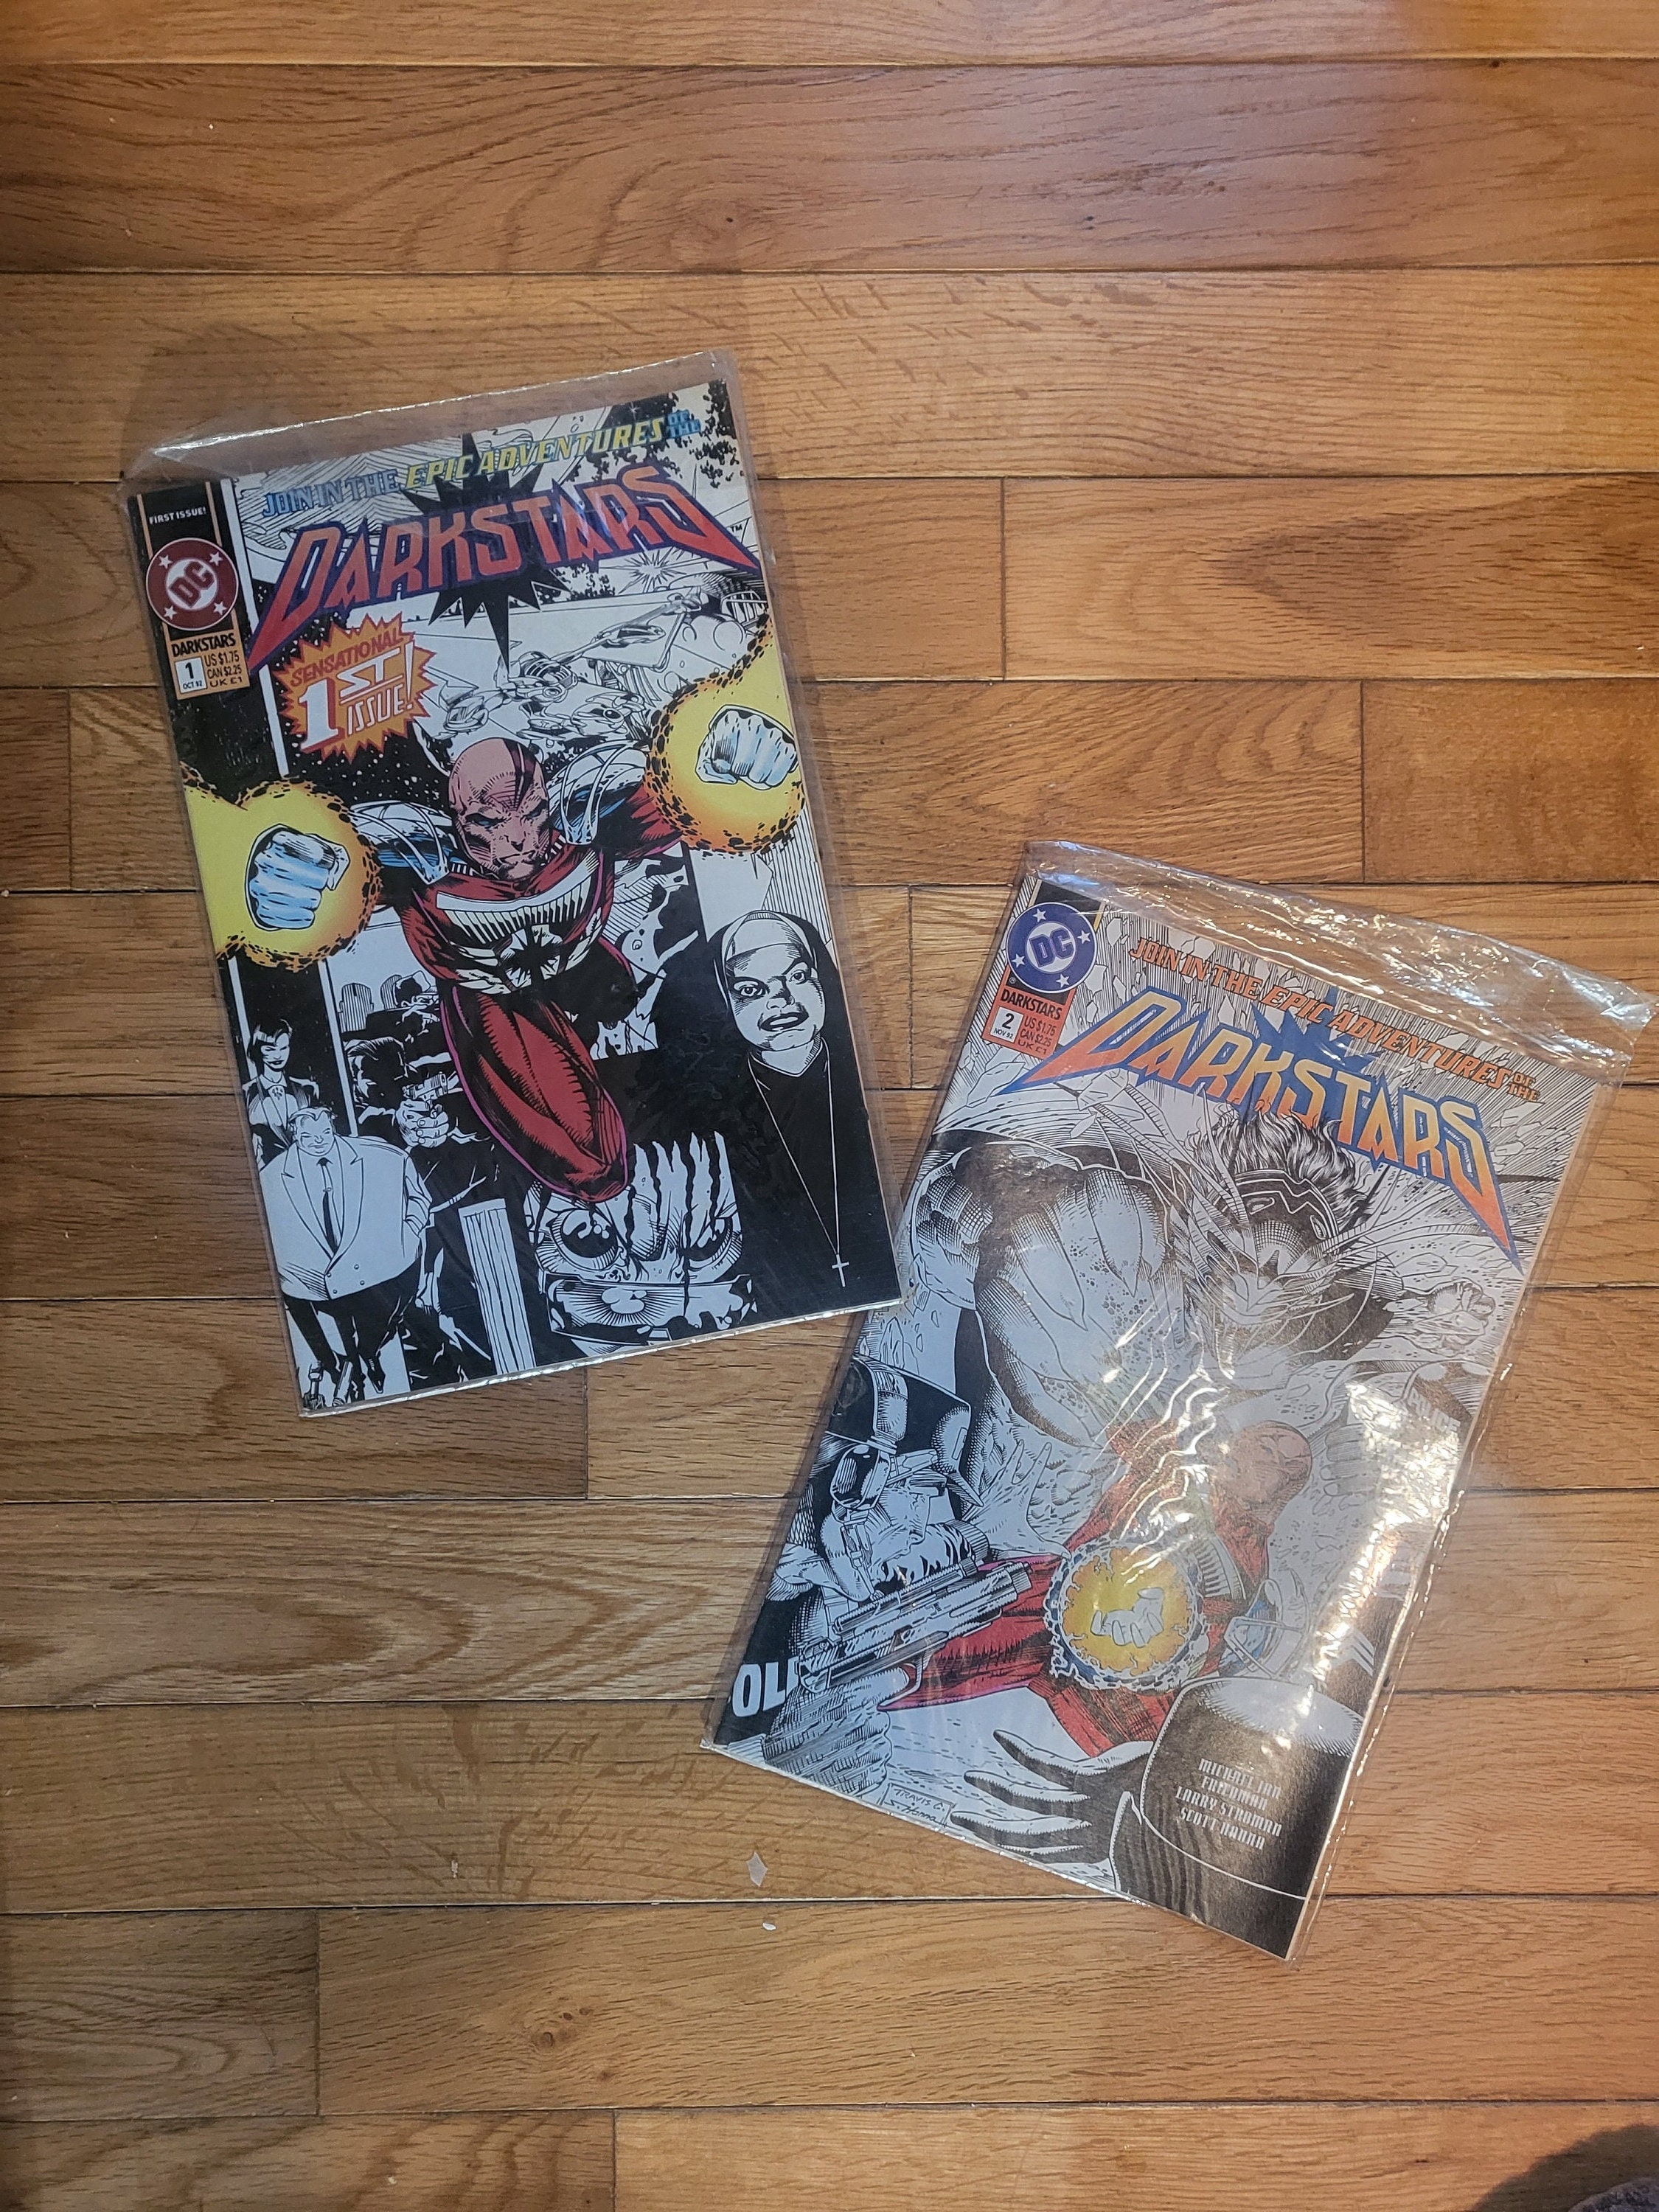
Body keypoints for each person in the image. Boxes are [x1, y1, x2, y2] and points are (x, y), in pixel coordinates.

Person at [706, 912, 897, 1315]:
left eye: (796, 977)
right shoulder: (714, 1111)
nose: (782, 1001)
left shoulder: (869, 1075)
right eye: (751, 989)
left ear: (820, 981)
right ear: (727, 1001)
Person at [260, 1105, 431, 1405]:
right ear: (295, 1136)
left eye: (325, 1133)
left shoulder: (382, 1156)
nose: (319, 1142)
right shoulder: (270, 1178)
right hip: (314, 1284)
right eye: (309, 1137)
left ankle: (370, 1355)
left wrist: (408, 1231)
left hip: (382, 1272)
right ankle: (345, 1374)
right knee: (334, 1343)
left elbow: (419, 1197)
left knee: (377, 1328)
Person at [242, 1020, 319, 1165]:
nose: (278, 1055)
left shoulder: (306, 1089)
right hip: (269, 1169)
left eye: (283, 1048)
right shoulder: (247, 1093)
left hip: (307, 1165)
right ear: (258, 1050)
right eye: (270, 1049)